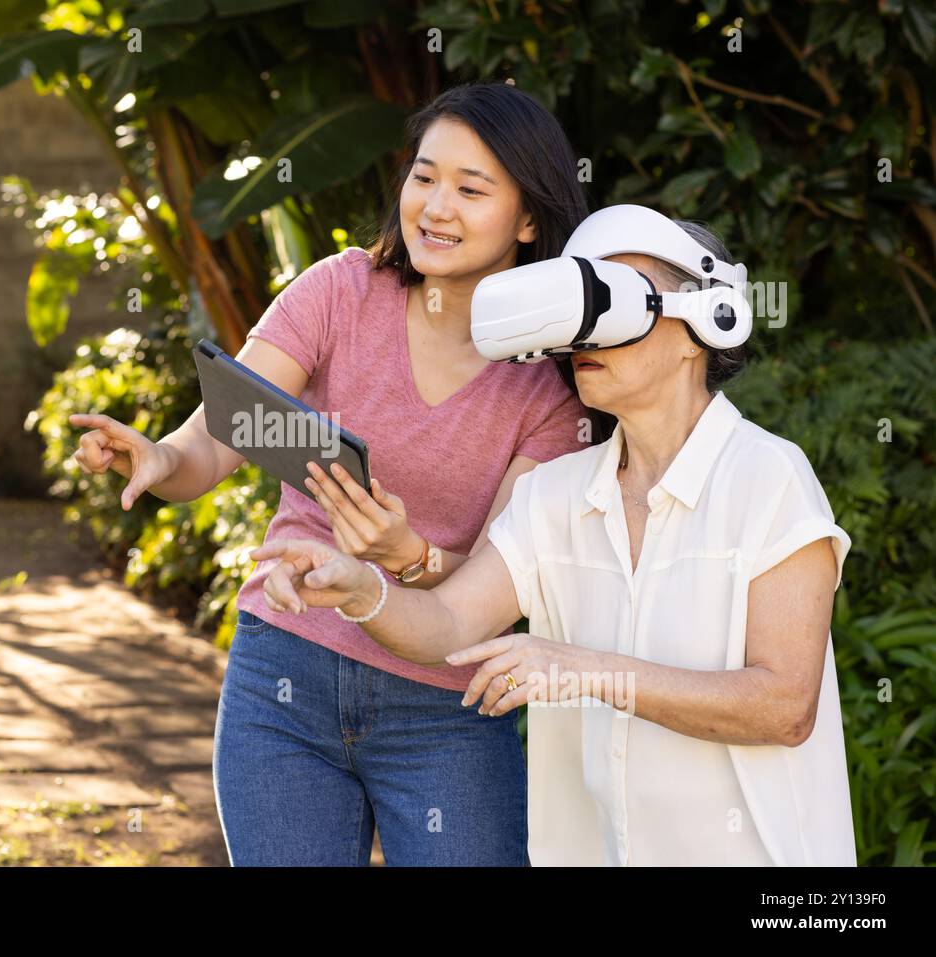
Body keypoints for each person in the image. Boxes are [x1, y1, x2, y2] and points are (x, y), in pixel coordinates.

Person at [69, 82, 590, 865]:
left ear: (527, 219)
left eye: (470, 189)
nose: (435, 207)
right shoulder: (344, 291)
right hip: (284, 677)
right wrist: (163, 458)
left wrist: (402, 554)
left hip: (445, 708)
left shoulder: (551, 394)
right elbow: (216, 442)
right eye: (424, 176)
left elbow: (491, 587)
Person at [251, 207, 857, 866]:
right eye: (578, 311)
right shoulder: (555, 495)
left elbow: (784, 705)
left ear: (701, 326)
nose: (583, 338)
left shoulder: (768, 478)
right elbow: (449, 623)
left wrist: (583, 670)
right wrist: (360, 586)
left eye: (612, 302)